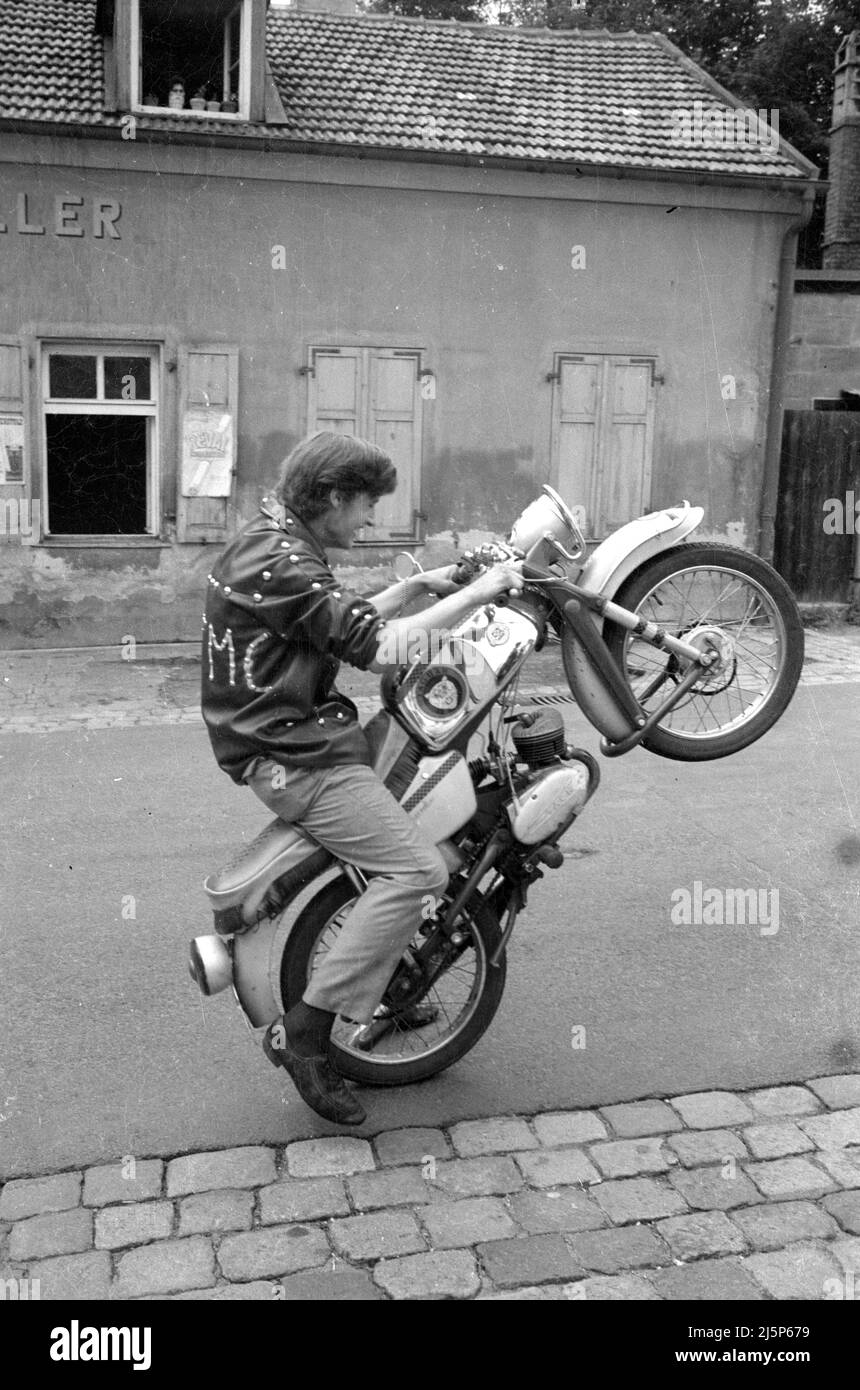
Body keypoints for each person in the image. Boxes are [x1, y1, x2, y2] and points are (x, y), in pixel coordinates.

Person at [201, 431, 522, 1124]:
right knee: (416, 874)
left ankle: (382, 977)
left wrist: (413, 585)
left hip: (303, 735)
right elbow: (378, 647)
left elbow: (327, 622)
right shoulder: (281, 560)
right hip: (298, 758)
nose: (370, 520)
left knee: (423, 784)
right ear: (336, 497)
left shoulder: (271, 541)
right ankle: (307, 1033)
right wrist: (486, 592)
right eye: (367, 506)